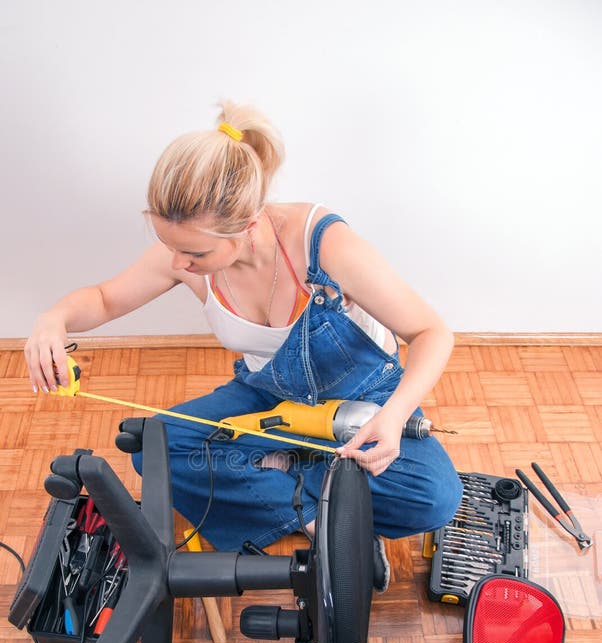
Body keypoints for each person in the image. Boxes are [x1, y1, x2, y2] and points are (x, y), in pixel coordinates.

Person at [24, 100, 462, 590]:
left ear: (249, 226)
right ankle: (321, 518)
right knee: (157, 450)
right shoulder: (183, 254)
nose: (178, 263)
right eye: (172, 247)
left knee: (436, 496)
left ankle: (284, 477)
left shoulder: (324, 242)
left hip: (363, 399)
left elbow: (431, 333)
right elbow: (103, 299)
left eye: (195, 253)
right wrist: (53, 318)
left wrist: (396, 416)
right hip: (268, 394)